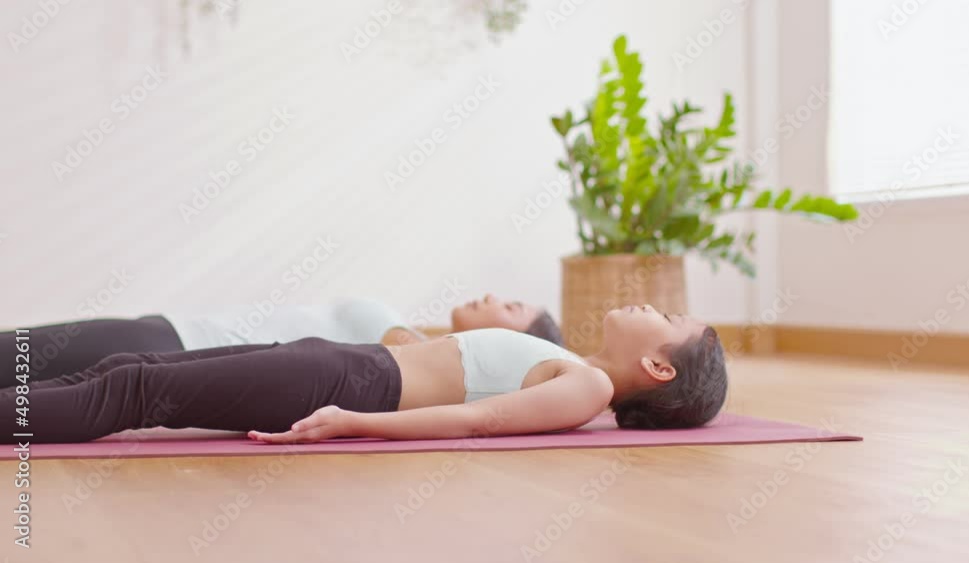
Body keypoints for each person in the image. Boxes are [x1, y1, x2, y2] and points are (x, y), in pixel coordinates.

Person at [0, 305, 727, 444]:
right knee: (132, 367)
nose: (650, 303)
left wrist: (355, 420)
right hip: (348, 364)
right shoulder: (575, 363)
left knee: (133, 390)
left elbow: (476, 421)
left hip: (353, 384)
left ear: (658, 365)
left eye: (669, 316)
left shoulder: (591, 388)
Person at [0, 294, 563, 384]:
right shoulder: (413, 345)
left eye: (511, 306)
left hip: (173, 348)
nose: (493, 295)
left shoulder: (413, 358)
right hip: (170, 336)